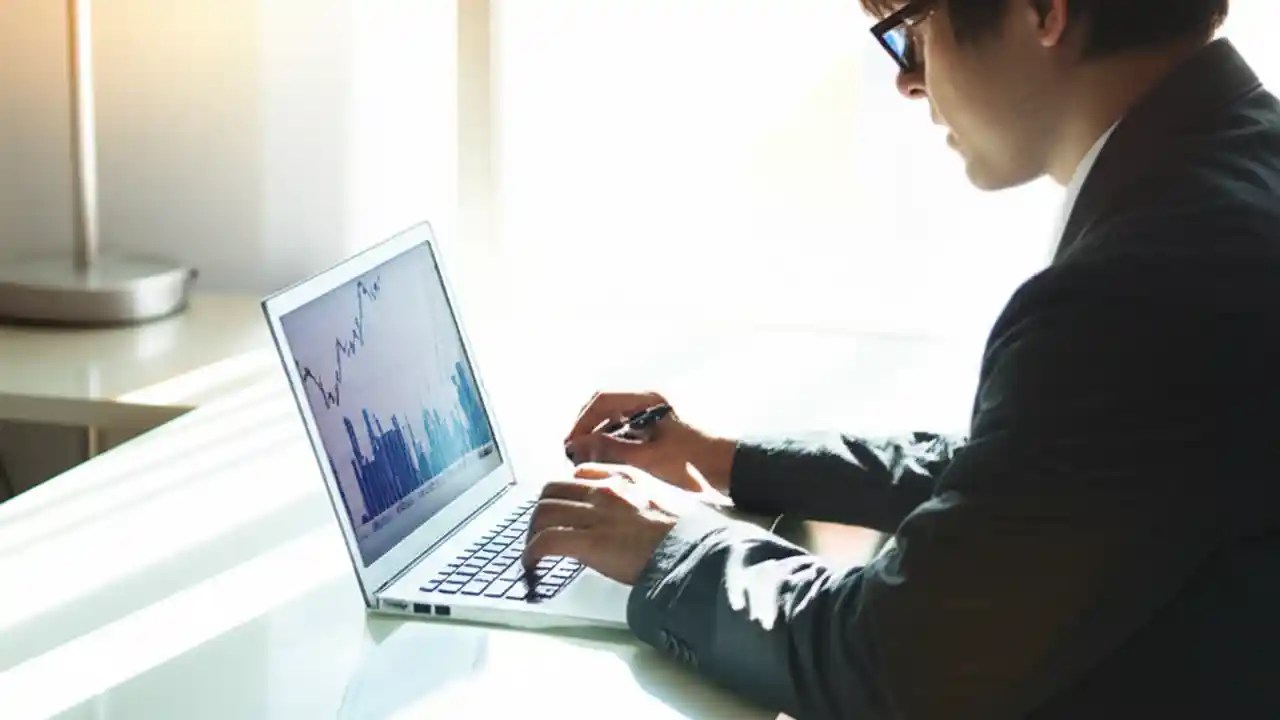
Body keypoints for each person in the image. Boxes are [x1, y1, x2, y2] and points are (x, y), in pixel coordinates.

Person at [522, 0, 1280, 717]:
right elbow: (1022, 477)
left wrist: (671, 547)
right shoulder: (1235, 170)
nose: (906, 78)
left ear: (1044, 9)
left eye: (910, 29)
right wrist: (726, 459)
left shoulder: (1139, 285)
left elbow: (889, 667)